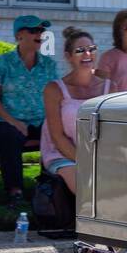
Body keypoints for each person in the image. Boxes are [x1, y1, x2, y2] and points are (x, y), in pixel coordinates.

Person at [40, 28, 111, 195]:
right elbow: (57, 137)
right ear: (68, 56)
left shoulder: (110, 87)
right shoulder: (54, 89)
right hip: (63, 155)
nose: (87, 54)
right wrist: (87, 161)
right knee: (89, 191)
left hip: (101, 155)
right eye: (80, 50)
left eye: (91, 49)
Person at [0, 15, 59, 202]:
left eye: (41, 30)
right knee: (8, 135)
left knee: (59, 132)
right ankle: (15, 191)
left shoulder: (49, 65)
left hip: (42, 120)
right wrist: (15, 122)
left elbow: (57, 97)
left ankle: (50, 184)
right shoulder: (3, 63)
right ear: (19, 36)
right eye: (34, 30)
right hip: (10, 120)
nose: (39, 34)